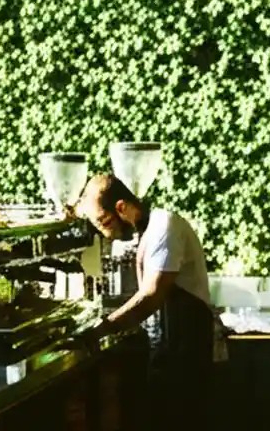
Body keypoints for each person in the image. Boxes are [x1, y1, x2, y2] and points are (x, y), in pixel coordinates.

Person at [73, 174, 213, 431]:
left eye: (103, 222)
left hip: (185, 353)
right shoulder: (148, 230)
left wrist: (101, 328)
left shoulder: (165, 226)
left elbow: (152, 295)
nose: (106, 234)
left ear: (121, 208)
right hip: (167, 350)